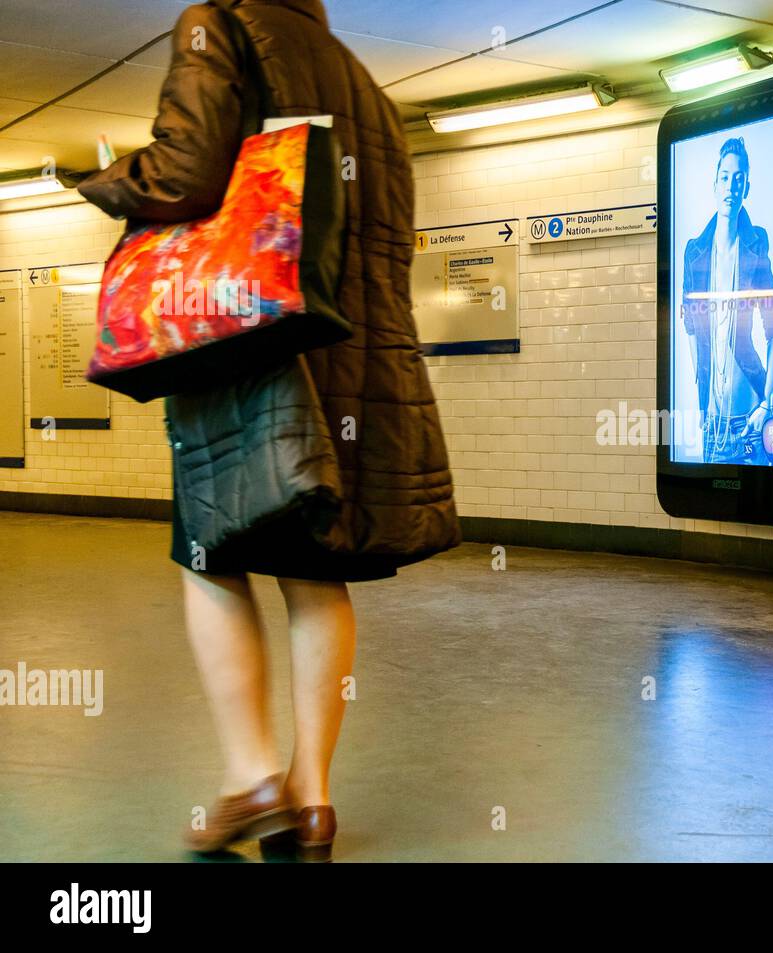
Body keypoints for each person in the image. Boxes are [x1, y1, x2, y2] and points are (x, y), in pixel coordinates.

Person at [77, 0, 460, 861]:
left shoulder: (217, 25)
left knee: (207, 551)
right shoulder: (362, 76)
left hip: (253, 348)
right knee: (314, 568)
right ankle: (311, 799)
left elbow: (185, 173)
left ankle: (252, 771)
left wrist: (106, 178)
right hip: (347, 355)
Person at [680, 137, 773, 464]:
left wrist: (766, 403)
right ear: (715, 184)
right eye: (725, 177)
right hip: (713, 422)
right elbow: (691, 330)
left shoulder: (756, 244)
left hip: (750, 416)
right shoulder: (695, 252)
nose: (731, 186)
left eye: (738, 179)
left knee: (762, 509)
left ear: (747, 187)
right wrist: (702, 393)